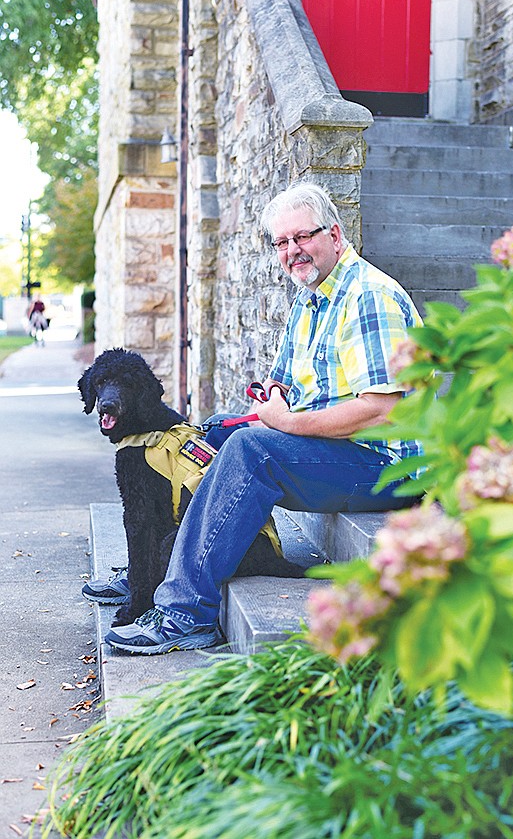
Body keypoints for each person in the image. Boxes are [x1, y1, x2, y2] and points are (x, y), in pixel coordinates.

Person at [102, 182, 424, 654]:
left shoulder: (368, 296)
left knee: (252, 450)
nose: (292, 251)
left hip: (386, 467)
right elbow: (284, 382)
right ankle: (154, 567)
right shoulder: (312, 297)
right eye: (281, 242)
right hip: (341, 452)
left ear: (335, 234)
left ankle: (183, 612)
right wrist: (276, 397)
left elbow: (381, 409)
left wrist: (285, 423)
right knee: (210, 430)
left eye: (302, 237)